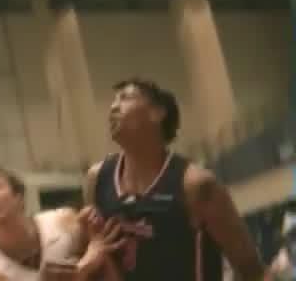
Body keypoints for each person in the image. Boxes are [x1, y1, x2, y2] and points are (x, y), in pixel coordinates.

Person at [83, 78, 265, 281]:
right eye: (113, 100)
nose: (113, 107)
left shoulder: (195, 185)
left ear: (157, 113)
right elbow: (91, 266)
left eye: (125, 98)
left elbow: (252, 271)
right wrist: (87, 256)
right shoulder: (97, 179)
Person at [0, 164, 120, 280]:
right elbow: (90, 262)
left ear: (18, 196)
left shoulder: (64, 220)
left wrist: (95, 236)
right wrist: (82, 269)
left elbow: (106, 270)